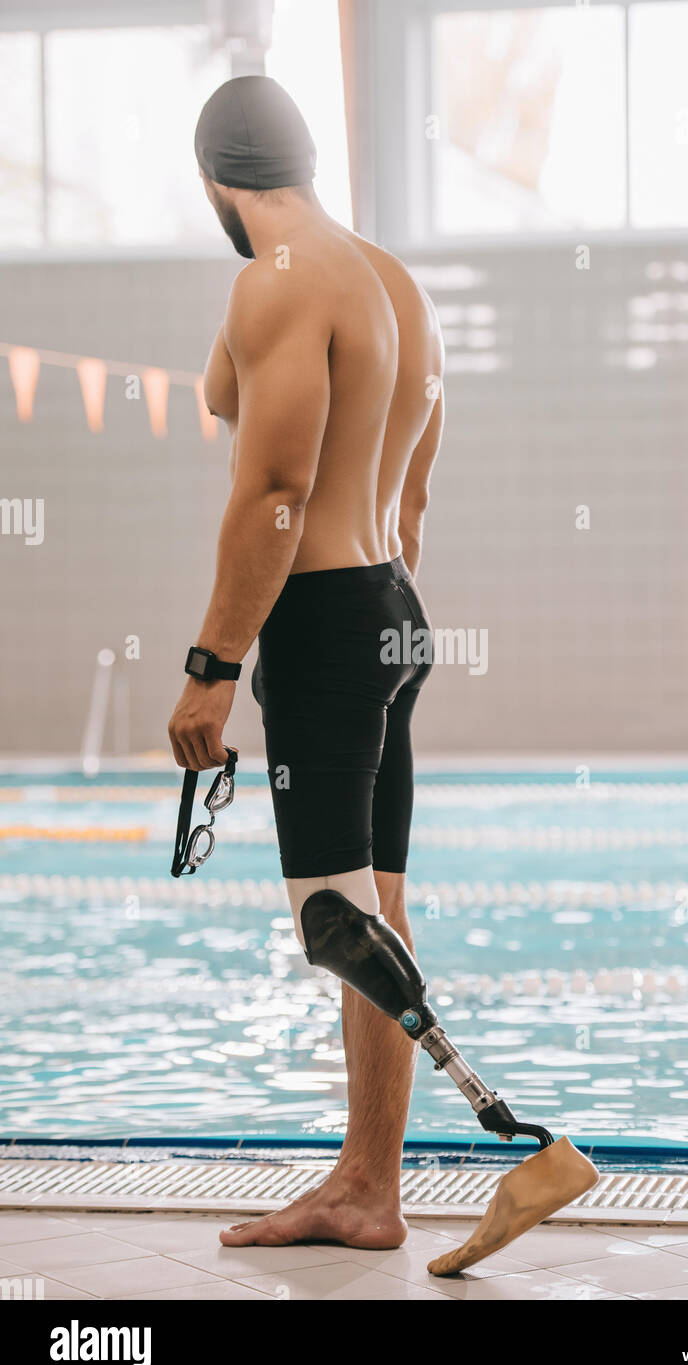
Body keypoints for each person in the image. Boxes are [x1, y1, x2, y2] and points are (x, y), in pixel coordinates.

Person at [167, 76, 444, 1249]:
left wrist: (213, 660)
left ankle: (381, 1179)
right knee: (372, 903)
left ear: (218, 186)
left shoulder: (272, 284)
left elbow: (274, 490)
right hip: (391, 604)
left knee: (334, 917)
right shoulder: (387, 280)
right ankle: (366, 1182)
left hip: (325, 620)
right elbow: (413, 485)